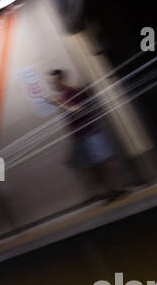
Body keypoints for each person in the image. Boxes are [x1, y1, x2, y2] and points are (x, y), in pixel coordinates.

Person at [48, 68, 127, 203]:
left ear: (60, 80)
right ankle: (108, 192)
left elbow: (79, 111)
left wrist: (59, 103)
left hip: (90, 132)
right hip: (79, 136)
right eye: (50, 82)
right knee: (93, 166)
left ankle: (119, 188)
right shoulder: (63, 97)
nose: (52, 85)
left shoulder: (73, 92)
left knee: (105, 161)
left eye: (53, 81)